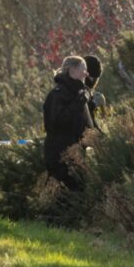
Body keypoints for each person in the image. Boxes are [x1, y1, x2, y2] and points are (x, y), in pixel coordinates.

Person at [42, 55, 97, 191]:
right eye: (83, 69)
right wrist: (79, 101)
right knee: (62, 198)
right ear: (72, 70)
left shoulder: (79, 93)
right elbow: (57, 123)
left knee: (80, 194)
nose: (87, 73)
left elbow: (86, 125)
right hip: (60, 156)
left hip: (77, 154)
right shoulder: (58, 94)